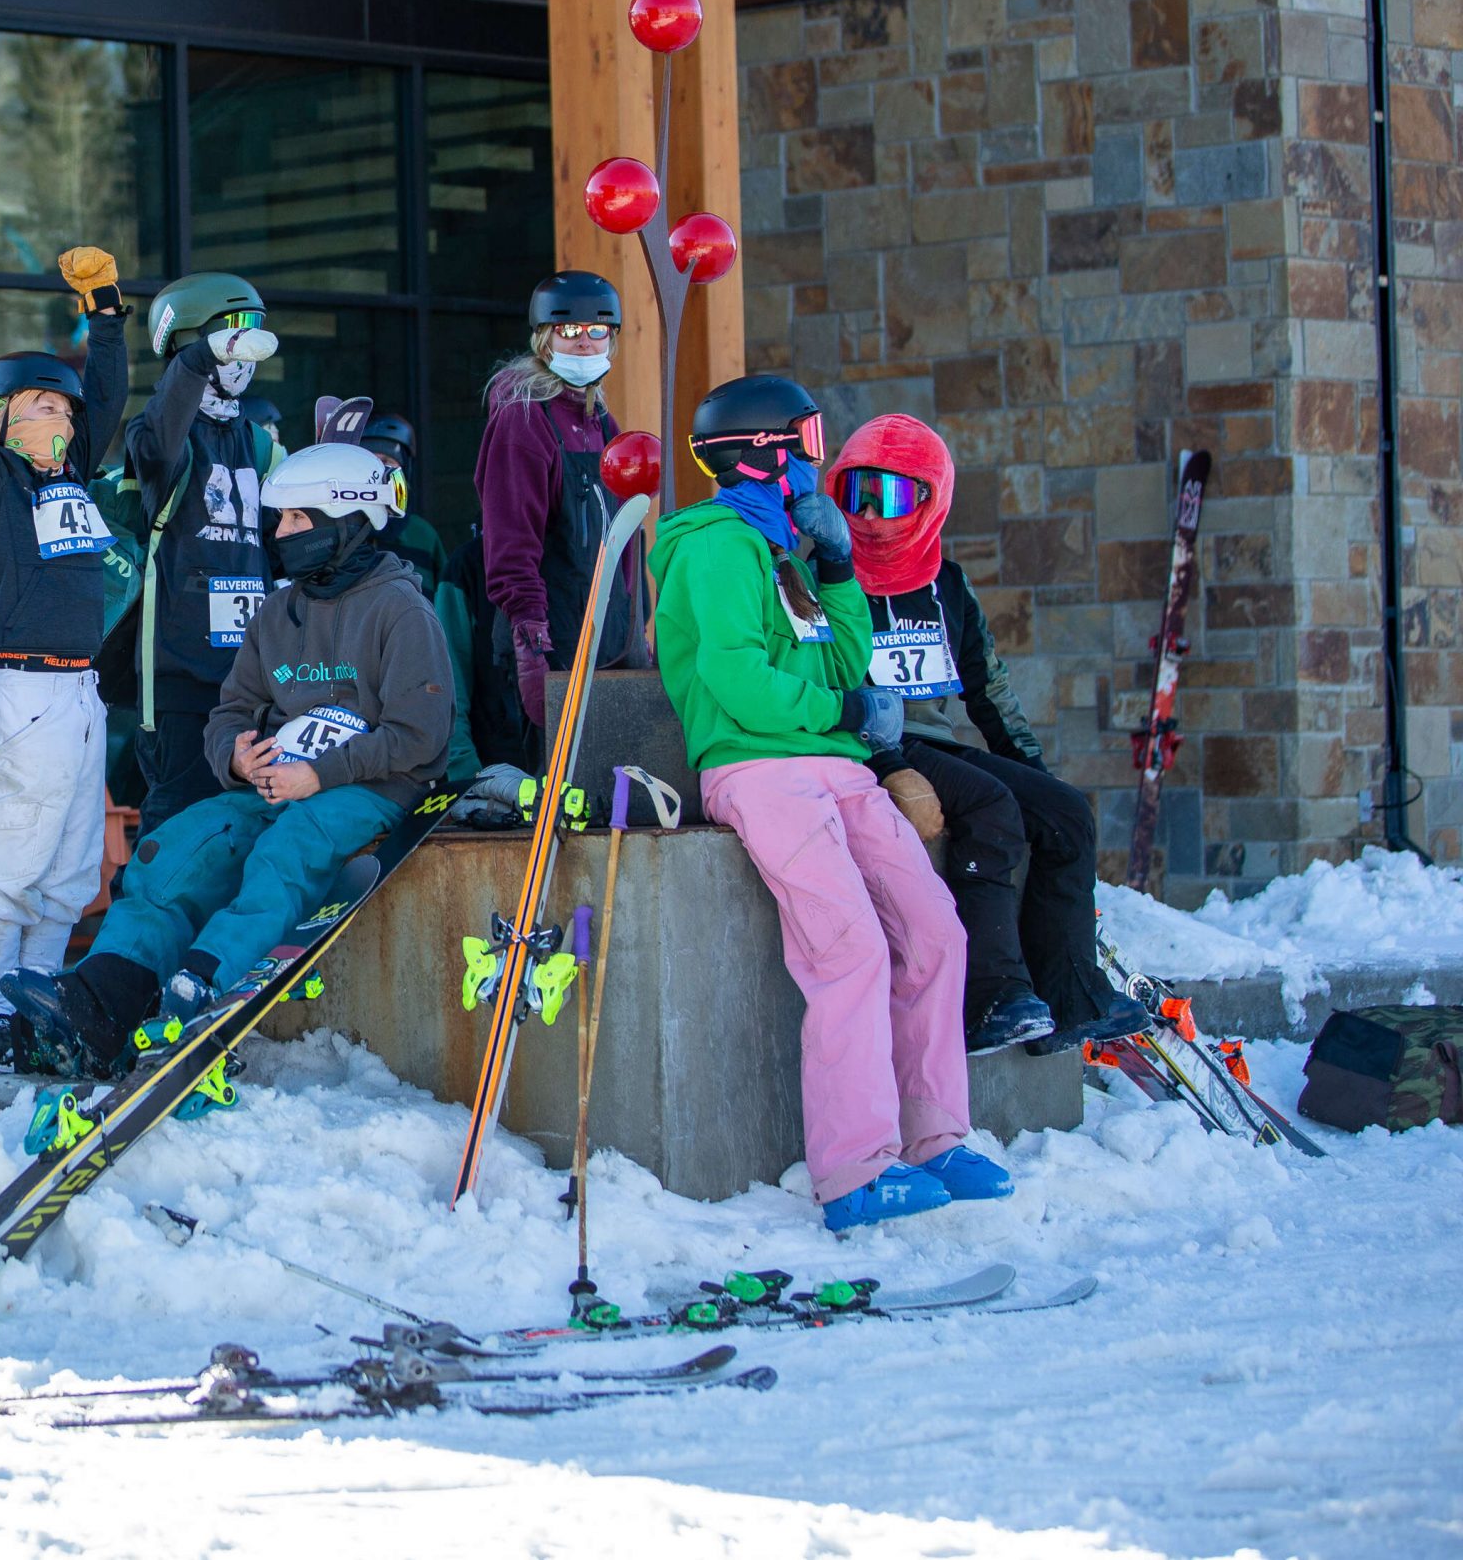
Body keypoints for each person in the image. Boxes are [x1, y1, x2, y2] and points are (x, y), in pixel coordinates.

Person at [648, 374, 1006, 1231]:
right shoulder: (712, 548)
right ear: (762, 452)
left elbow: (848, 660)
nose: (815, 462)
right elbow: (737, 681)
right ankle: (854, 1167)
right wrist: (839, 711)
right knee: (848, 947)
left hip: (837, 767)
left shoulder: (783, 555)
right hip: (757, 768)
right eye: (804, 445)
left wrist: (839, 564)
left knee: (933, 931)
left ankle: (934, 1136)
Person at [4, 441, 449, 1076]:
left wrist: (316, 775)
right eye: (281, 518)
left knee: (285, 851)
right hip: (273, 784)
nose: (280, 531)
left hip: (370, 788)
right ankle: (99, 999)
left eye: (298, 519)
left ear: (344, 522)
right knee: (180, 850)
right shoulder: (278, 611)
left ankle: (203, 983)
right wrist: (235, 756)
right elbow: (232, 711)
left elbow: (420, 735)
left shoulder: (401, 610)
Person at [827, 413, 1152, 1057]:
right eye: (856, 494)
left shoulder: (944, 585)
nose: (871, 516)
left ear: (929, 501)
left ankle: (1072, 996)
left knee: (1065, 815)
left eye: (891, 498)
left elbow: (986, 684)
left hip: (936, 740)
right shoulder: (831, 577)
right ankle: (992, 996)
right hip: (872, 746)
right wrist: (888, 759)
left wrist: (1032, 768)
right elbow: (827, 677)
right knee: (990, 807)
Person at [0, 227, 131, 1063]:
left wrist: (106, 314)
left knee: (74, 870)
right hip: (20, 688)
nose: (57, 419)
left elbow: (107, 398)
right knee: (11, 861)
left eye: (62, 409)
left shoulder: (70, 476)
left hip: (80, 694)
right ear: (5, 423)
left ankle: (36, 996)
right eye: (38, 408)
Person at [124, 273, 283, 833]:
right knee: (177, 831)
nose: (243, 353)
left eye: (254, 336)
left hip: (249, 682)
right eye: (230, 337)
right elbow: (159, 440)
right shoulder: (158, 434)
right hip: (178, 678)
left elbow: (283, 545)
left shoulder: (260, 443)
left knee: (241, 833)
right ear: (191, 340)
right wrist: (194, 363)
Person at [473, 270, 633, 765]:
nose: (584, 345)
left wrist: (631, 628)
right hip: (551, 645)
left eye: (596, 332)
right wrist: (531, 643)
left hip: (604, 643)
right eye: (569, 332)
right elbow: (510, 544)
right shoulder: (524, 417)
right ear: (545, 339)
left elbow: (624, 535)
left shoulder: (601, 420)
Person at [355, 412, 447, 595]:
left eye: (386, 461)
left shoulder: (422, 535)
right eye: (370, 462)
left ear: (405, 471)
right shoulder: (338, 531)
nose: (378, 470)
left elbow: (444, 609)